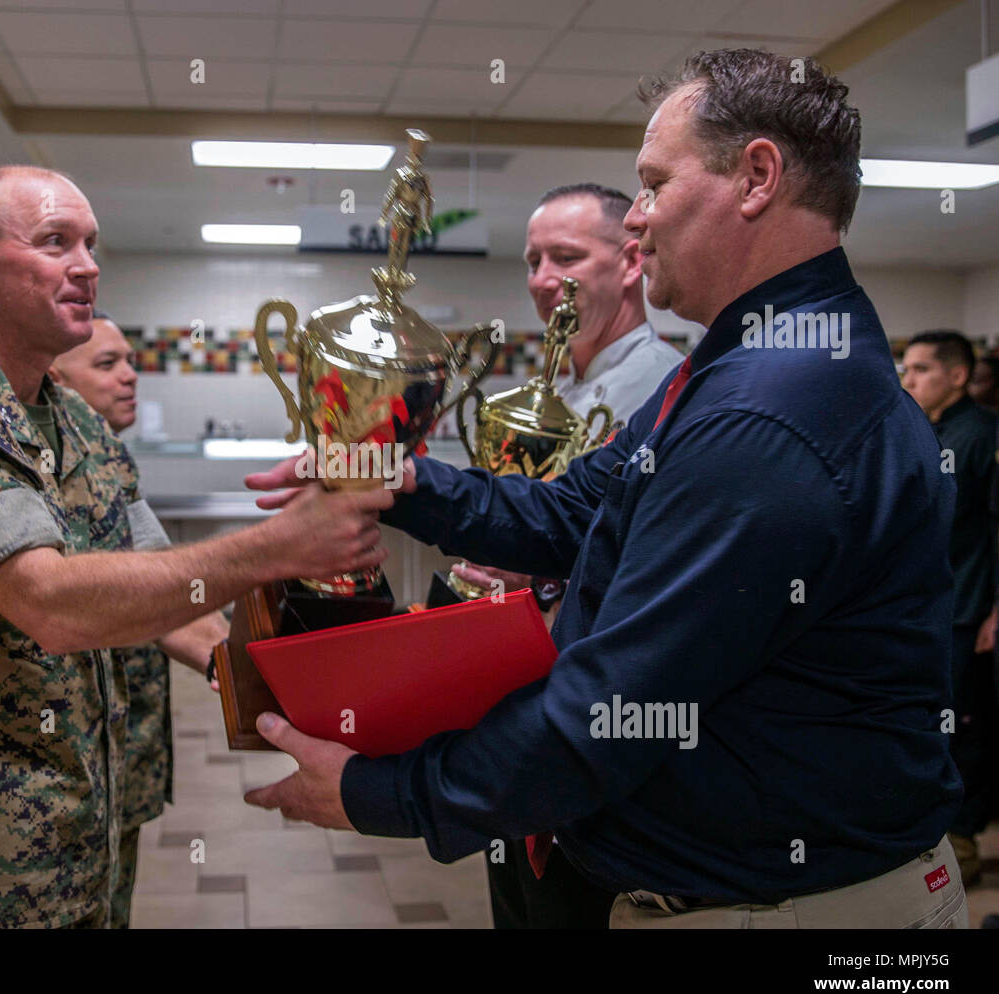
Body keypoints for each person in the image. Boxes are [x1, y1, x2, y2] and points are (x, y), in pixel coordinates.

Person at [243, 48, 968, 929]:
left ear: (757, 177)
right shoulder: (748, 362)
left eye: (656, 185)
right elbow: (574, 507)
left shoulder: (769, 412)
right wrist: (386, 476)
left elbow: (619, 712)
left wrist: (378, 791)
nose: (640, 221)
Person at [0, 165, 390, 929]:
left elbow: (171, 598)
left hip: (81, 844)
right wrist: (277, 547)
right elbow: (50, 603)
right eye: (55, 242)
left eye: (92, 244)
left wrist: (280, 696)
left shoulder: (79, 424)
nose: (88, 265)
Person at [457, 183, 681, 929]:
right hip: (522, 685)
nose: (543, 277)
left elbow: (653, 559)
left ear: (629, 261)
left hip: (600, 702)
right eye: (532, 260)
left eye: (565, 256)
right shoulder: (554, 387)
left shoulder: (662, 386)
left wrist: (537, 567)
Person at [46, 313, 228, 684]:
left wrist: (227, 657)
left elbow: (156, 566)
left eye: (129, 361)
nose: (130, 375)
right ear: (55, 380)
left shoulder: (110, 458)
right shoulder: (32, 464)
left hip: (129, 703)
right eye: (107, 364)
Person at [902, 330, 999, 885]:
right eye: (907, 368)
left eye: (921, 370)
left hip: (968, 608)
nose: (909, 380)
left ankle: (961, 844)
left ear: (957, 375)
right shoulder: (924, 430)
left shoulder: (982, 435)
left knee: (963, 727)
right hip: (930, 609)